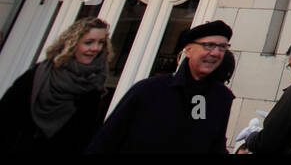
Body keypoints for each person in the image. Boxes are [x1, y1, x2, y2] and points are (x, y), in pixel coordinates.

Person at [88, 19, 235, 154]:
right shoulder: (148, 90)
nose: (216, 53)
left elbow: (215, 146)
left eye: (222, 47)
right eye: (209, 45)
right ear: (188, 50)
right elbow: (106, 140)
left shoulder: (221, 98)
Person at [0, 17, 111, 154]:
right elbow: (6, 113)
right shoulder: (41, 73)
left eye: (101, 43)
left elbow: (84, 136)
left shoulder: (94, 84)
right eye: (89, 42)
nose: (95, 48)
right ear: (73, 43)